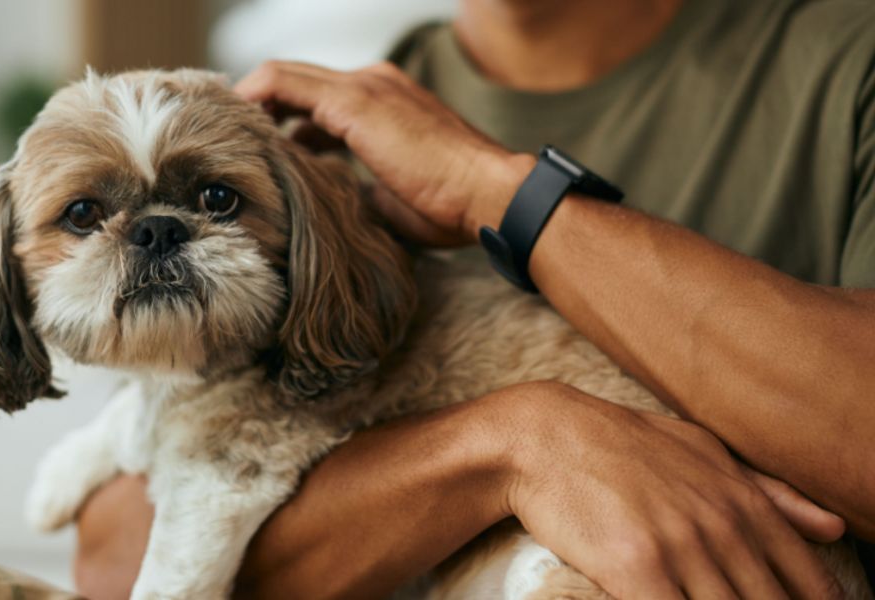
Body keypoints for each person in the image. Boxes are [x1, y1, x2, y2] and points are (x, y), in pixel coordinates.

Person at [74, 0, 875, 598]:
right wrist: (514, 446)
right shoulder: (344, 117)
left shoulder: (842, 58)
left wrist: (496, 190)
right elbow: (116, 556)